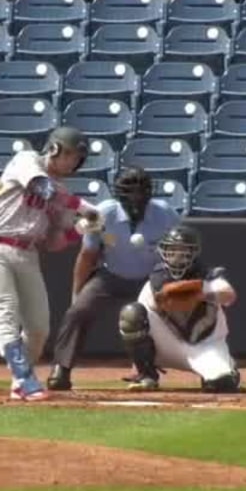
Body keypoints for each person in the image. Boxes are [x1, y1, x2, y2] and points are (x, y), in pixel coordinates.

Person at [0, 127, 106, 401]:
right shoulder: (26, 160)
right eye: (68, 154)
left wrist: (80, 228)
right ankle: (24, 377)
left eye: (76, 158)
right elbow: (41, 187)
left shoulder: (63, 196)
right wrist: (84, 208)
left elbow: (52, 243)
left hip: (27, 254)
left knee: (38, 328)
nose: (71, 161)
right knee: (6, 312)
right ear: (54, 148)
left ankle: (19, 380)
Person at [46, 167, 180, 392]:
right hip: (111, 275)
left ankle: (146, 371)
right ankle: (61, 369)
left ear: (149, 192)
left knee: (147, 319)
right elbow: (88, 256)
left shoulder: (166, 214)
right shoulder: (102, 214)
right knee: (78, 312)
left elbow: (179, 252)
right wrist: (76, 295)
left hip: (151, 279)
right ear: (119, 194)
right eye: (130, 192)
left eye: (140, 192)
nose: (136, 198)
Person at [118, 225, 241, 393]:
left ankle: (227, 367)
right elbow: (143, 317)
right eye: (173, 250)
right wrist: (136, 363)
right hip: (167, 343)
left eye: (183, 251)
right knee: (131, 313)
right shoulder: (156, 278)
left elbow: (228, 295)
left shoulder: (207, 275)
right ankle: (146, 374)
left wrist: (201, 293)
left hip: (204, 344)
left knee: (221, 384)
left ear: (194, 253)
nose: (177, 256)